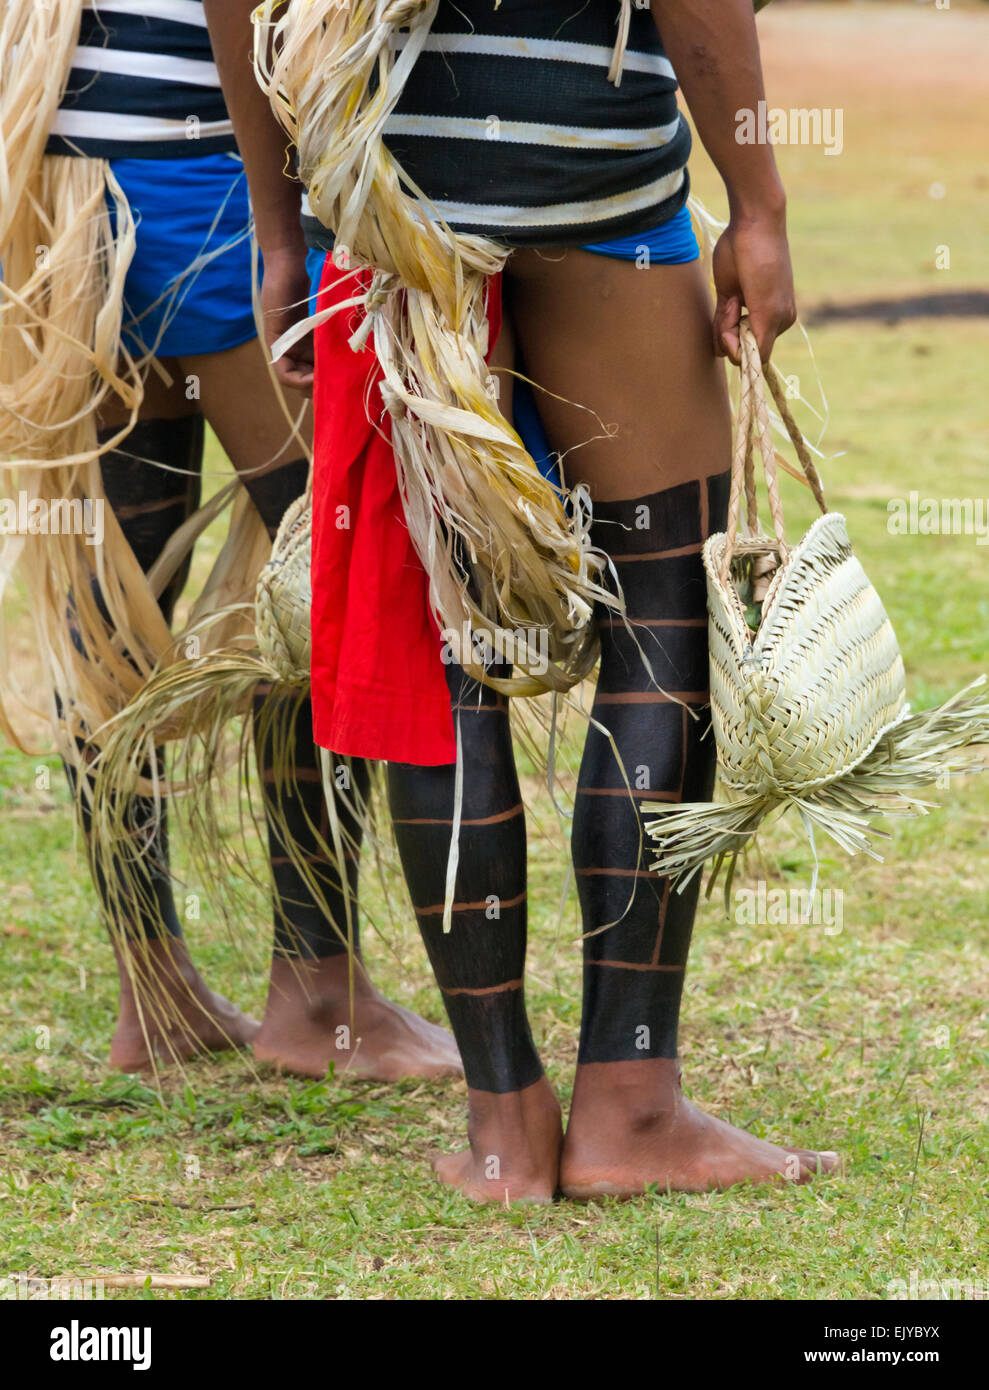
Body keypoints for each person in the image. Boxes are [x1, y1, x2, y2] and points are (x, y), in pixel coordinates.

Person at [208, 0, 839, 1200]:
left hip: (389, 198)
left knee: (442, 643)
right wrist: (756, 203)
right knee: (659, 618)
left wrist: (276, 218)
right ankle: (628, 1110)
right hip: (593, 186)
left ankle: (503, 1127)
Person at [0, 0, 460, 1082]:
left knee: (112, 584)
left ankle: (152, 990)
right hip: (211, 184)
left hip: (75, 181)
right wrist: (281, 219)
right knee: (322, 570)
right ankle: (315, 990)